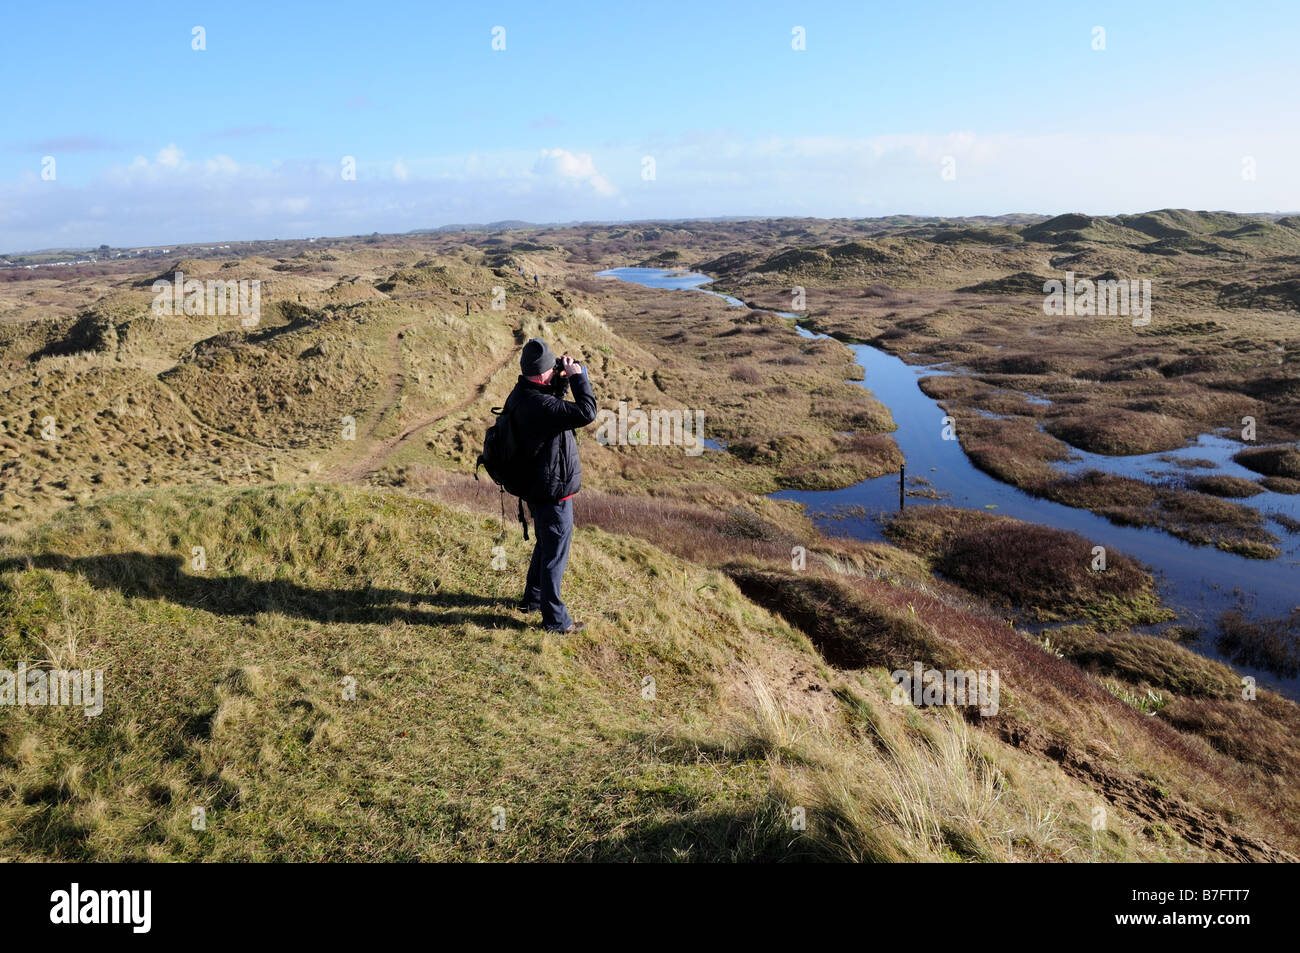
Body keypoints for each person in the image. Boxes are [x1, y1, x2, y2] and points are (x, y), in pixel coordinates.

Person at [506, 337, 597, 633]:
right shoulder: (541, 405)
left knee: (546, 543)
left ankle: (531, 600)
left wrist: (559, 382)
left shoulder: (522, 393)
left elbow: (552, 405)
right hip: (551, 491)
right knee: (555, 553)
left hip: (536, 487)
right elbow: (586, 412)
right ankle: (556, 621)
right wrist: (578, 377)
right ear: (544, 372)